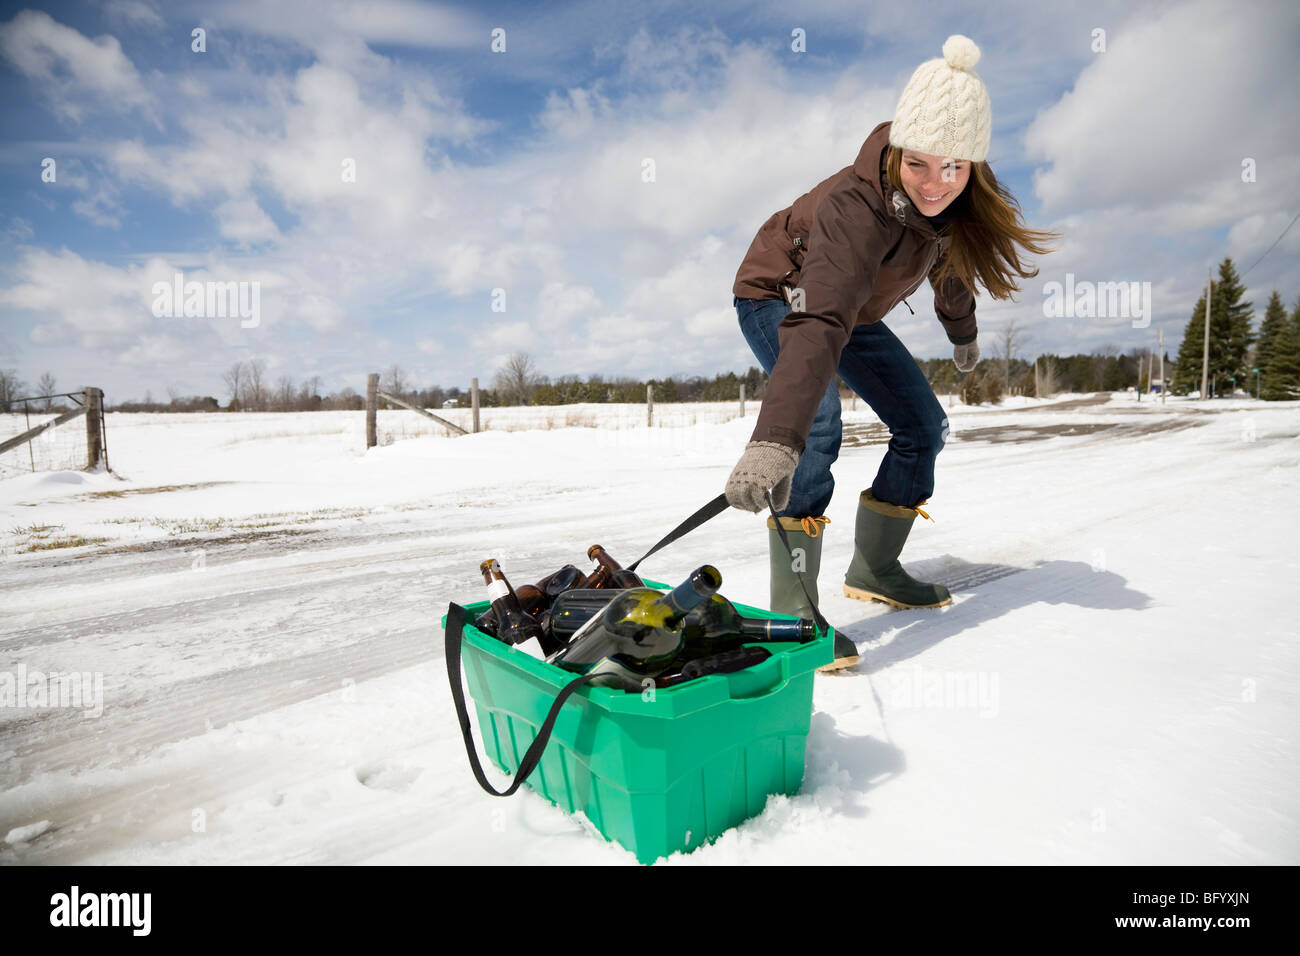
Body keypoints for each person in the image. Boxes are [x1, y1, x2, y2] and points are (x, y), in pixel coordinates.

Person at [724, 35, 1060, 670]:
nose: (936, 183)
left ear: (973, 169)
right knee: (818, 427)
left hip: (851, 311)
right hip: (782, 295)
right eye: (920, 165)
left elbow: (953, 274)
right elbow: (820, 318)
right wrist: (776, 440)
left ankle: (876, 568)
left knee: (922, 424)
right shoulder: (857, 207)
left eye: (954, 167)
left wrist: (962, 336)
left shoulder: (952, 209)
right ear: (899, 151)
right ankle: (791, 613)